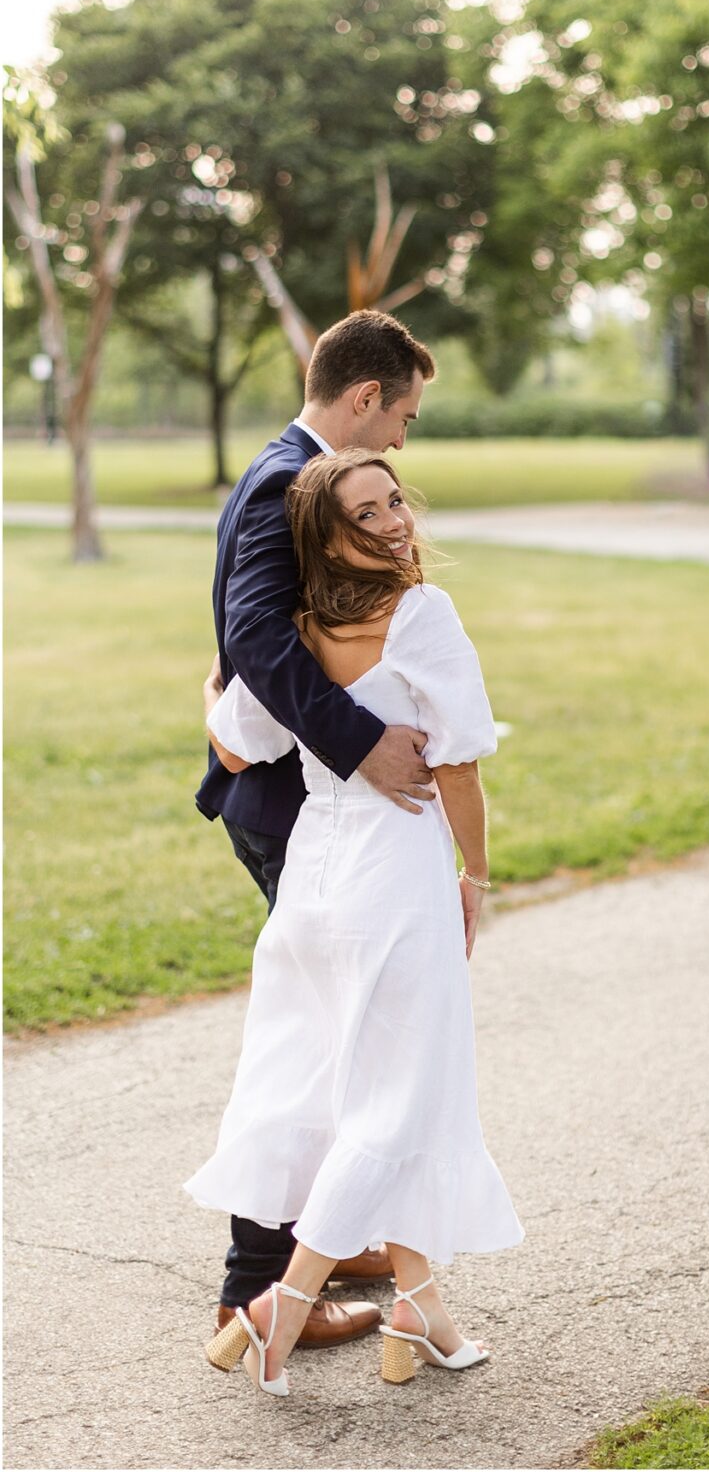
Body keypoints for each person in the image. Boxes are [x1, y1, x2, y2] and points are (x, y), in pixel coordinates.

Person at [186, 450, 523, 1395]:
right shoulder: (423, 616)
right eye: (367, 513)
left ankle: (419, 1309)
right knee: (396, 1101)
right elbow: (458, 764)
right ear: (329, 536)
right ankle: (277, 1309)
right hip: (392, 885)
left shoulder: (294, 632)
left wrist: (208, 691)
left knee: (373, 1090)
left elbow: (240, 739)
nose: (395, 521)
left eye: (394, 501)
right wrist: (478, 877)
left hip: (313, 890)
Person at [194, 310, 438, 1349]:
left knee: (335, 1029)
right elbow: (252, 633)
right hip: (298, 802)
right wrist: (361, 744)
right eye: (403, 416)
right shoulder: (282, 482)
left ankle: (324, 1238)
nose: (401, 442)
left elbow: (259, 635)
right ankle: (256, 1284)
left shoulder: (296, 474)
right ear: (363, 397)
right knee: (312, 1039)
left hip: (300, 792)